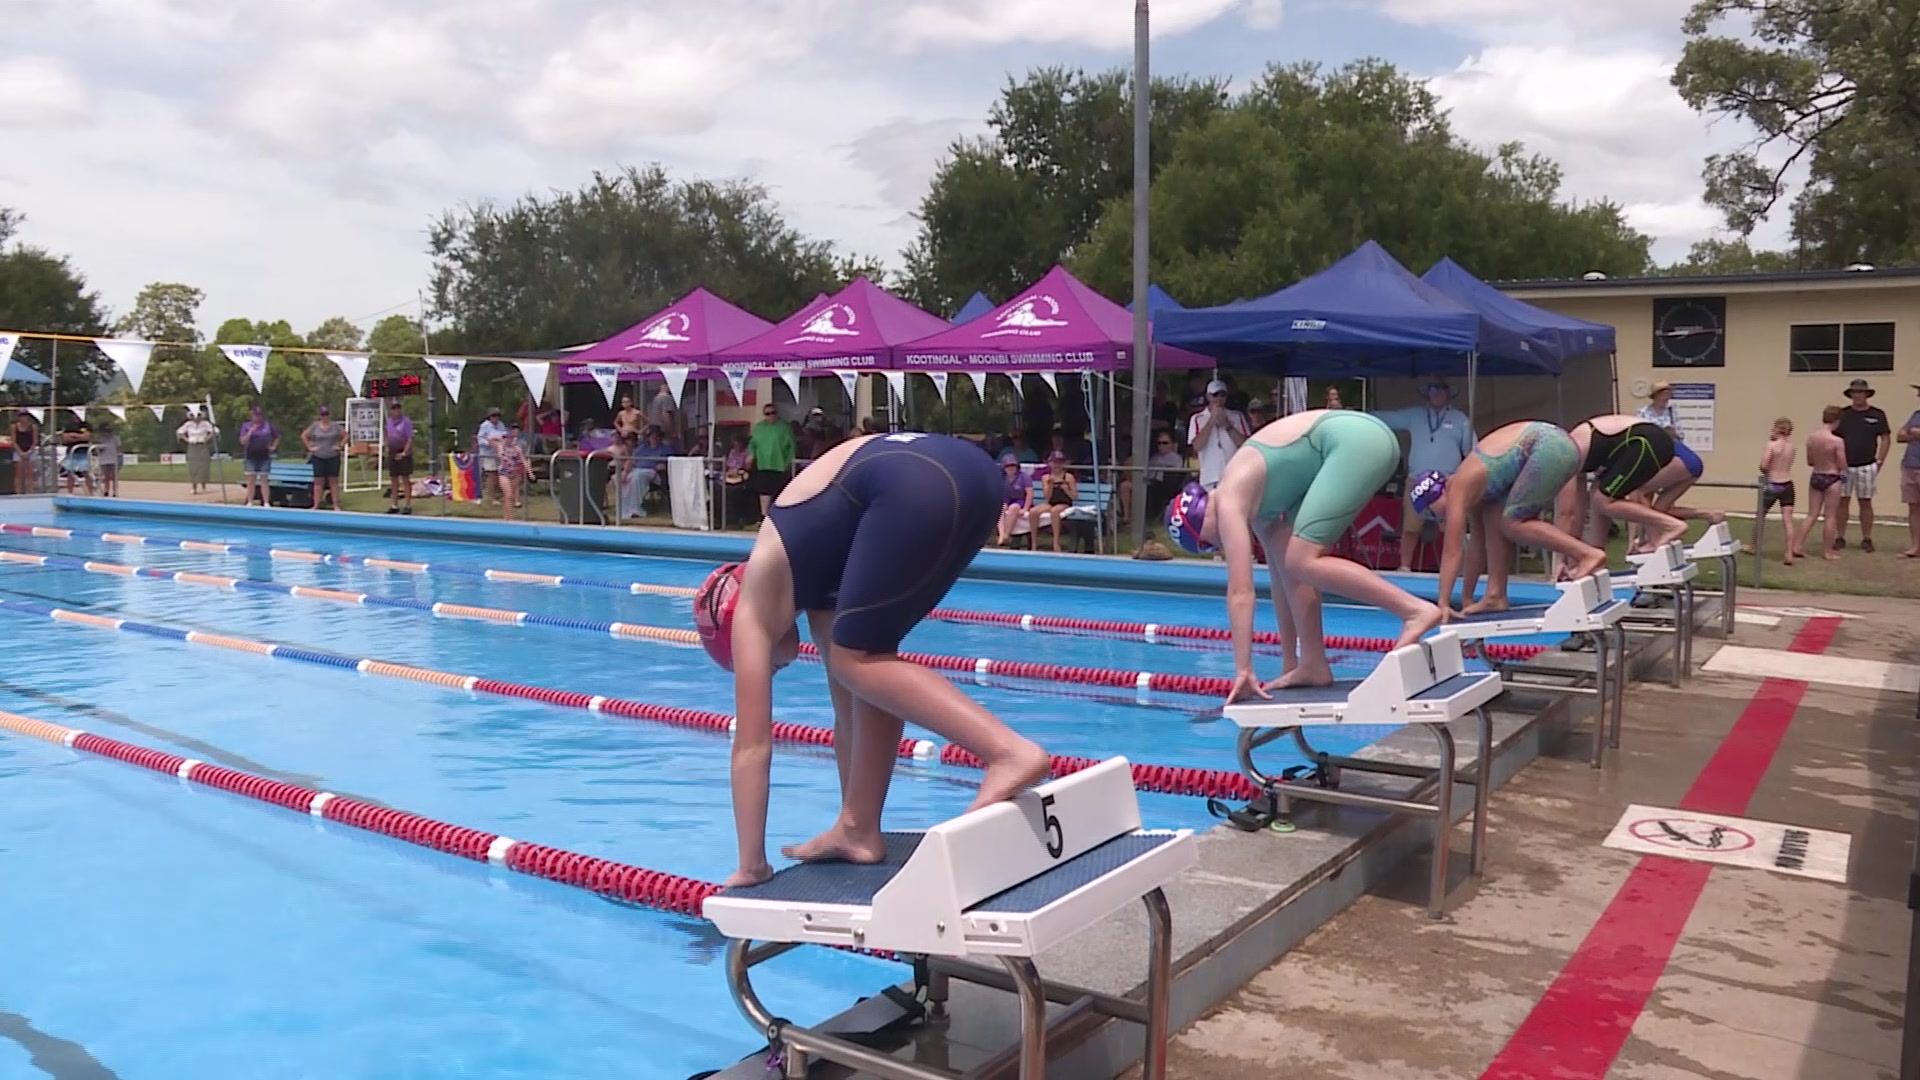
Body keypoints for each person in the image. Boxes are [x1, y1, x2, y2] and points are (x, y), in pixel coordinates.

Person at [697, 431, 1051, 888]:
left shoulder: (751, 609)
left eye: (762, 664)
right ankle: (858, 828)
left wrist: (751, 865)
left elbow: (751, 747)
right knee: (862, 664)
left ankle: (1008, 753)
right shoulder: (812, 573)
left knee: (853, 661)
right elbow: (852, 710)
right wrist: (853, 823)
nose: (769, 667)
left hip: (917, 484)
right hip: (973, 473)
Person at [1200, 409, 1442, 701]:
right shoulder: (1257, 507)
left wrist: (1243, 670)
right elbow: (1282, 580)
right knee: (1294, 564)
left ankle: (1414, 610)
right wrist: (1289, 662)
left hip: (1356, 442)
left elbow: (1240, 590)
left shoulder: (1228, 496)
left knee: (1302, 558)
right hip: (1360, 439)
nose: (1216, 547)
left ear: (1200, 519)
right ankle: (1312, 664)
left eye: (1205, 543)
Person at [1416, 421, 1606, 619]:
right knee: (1495, 526)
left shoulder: (1456, 489)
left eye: (1431, 511)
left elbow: (1452, 552)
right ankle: (1495, 595)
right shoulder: (1477, 491)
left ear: (1436, 495)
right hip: (1553, 442)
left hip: (1547, 446)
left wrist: (1443, 603)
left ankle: (1587, 554)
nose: (1436, 517)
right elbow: (1476, 546)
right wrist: (1466, 600)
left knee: (1513, 524)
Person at [1555, 414, 1687, 569]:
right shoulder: (1574, 452)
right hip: (1647, 441)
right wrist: (1573, 559)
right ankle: (1597, 558)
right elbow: (1577, 511)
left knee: (1603, 500)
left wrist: (1560, 562)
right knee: (1597, 492)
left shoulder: (1564, 457)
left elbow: (1566, 514)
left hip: (1645, 441)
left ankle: (1671, 524)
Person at [1371, 380, 1475, 570]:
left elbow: (1472, 452)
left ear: (1448, 393)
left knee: (1452, 528)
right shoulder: (1415, 415)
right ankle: (1404, 567)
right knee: (1410, 527)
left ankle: (1458, 569)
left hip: (1447, 481)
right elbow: (1388, 418)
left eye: (1442, 388)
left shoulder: (1461, 419)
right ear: (1427, 393)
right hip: (1417, 478)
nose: (1437, 393)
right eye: (1433, 389)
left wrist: (1463, 478)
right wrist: (1356, 413)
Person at [1831, 379, 1891, 552]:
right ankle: (1840, 537)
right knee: (1842, 500)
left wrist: (1880, 460)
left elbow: (1885, 438)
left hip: (1867, 466)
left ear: (1866, 394)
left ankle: (1867, 538)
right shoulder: (1843, 414)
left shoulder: (1878, 414)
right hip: (1844, 467)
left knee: (1865, 501)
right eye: (1854, 392)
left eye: (1860, 392)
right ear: (1850, 395)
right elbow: (1834, 438)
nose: (1857, 395)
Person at [1792, 405, 1847, 562]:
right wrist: (1844, 477)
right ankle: (1827, 551)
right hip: (1832, 477)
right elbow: (1842, 464)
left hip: (1816, 475)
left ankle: (1797, 545)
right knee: (1830, 516)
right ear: (1837, 421)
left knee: (1811, 514)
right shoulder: (1837, 441)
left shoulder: (1812, 438)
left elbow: (1810, 461)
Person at [1186, 379, 1249, 492]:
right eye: (1215, 395)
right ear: (1208, 396)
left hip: (1233, 476)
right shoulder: (1197, 418)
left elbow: (1245, 444)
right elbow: (1196, 446)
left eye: (1222, 394)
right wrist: (1211, 421)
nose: (1219, 399)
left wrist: (1227, 425)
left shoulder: (1237, 416)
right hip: (1209, 477)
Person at [1758, 417, 1797, 566]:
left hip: (1773, 483)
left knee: (1760, 515)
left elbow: (1764, 465)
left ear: (1777, 429)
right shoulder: (1791, 447)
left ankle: (1755, 545)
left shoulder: (1772, 445)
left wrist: (1765, 470)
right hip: (1787, 484)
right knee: (1788, 520)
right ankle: (1788, 552)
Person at [748, 402, 797, 517]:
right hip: (763, 464)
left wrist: (789, 462)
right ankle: (764, 516)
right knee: (764, 491)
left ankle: (778, 516)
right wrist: (751, 455)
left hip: (780, 465)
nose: (771, 416)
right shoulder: (759, 427)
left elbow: (792, 446)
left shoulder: (784, 427)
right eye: (767, 414)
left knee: (779, 492)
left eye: (773, 413)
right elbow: (752, 444)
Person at [1029, 449, 1077, 552]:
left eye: (1059, 463)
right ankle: (1034, 542)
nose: (1057, 465)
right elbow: (1047, 497)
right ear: (1050, 463)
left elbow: (1074, 497)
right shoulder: (1046, 478)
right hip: (1051, 502)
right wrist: (1050, 485)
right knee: (1033, 512)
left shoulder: (1068, 477)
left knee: (1055, 511)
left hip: (1065, 503)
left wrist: (1066, 489)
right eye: (1055, 462)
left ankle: (1056, 542)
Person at [301, 404, 344, 510]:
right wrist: (310, 447)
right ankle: (316, 505)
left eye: (326, 414)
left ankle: (335, 505)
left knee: (333, 481)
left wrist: (340, 445)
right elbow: (304, 436)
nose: (325, 417)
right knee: (318, 482)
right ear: (320, 415)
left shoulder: (335, 426)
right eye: (323, 415)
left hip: (332, 456)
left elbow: (345, 435)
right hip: (318, 456)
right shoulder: (315, 426)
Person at [1896, 384, 1920, 558]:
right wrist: (1914, 433)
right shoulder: (1916, 415)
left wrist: (1915, 433)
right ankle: (1916, 547)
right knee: (1914, 507)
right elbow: (1900, 435)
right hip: (1910, 466)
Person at [495, 419, 534, 522]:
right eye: (505, 438)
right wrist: (499, 439)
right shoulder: (501, 447)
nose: (507, 440)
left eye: (509, 438)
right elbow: (490, 441)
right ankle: (507, 518)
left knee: (510, 497)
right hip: (504, 473)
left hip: (514, 473)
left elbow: (524, 460)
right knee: (508, 494)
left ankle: (509, 517)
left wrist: (530, 472)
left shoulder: (517, 449)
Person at [239, 405, 277, 506]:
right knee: (251, 480)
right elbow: (242, 441)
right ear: (252, 415)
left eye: (259, 415)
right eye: (255, 415)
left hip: (264, 456)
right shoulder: (246, 426)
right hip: (251, 456)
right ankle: (250, 501)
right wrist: (250, 432)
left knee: (264, 480)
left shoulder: (267, 426)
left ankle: (266, 502)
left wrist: (273, 447)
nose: (257, 418)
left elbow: (277, 436)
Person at [993, 450, 1033, 546]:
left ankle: (1007, 534)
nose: (1011, 468)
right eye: (1008, 466)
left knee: (1014, 508)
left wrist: (1025, 508)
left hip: (1021, 501)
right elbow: (1001, 493)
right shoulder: (1001, 478)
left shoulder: (1024, 477)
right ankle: (1002, 534)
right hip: (1007, 500)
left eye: (1013, 465)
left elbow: (1029, 493)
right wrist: (1005, 503)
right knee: (1001, 508)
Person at [175, 409, 217, 494]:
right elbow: (179, 432)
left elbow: (214, 431)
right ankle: (194, 487)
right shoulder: (188, 424)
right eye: (194, 416)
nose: (196, 418)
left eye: (198, 415)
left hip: (202, 445)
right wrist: (187, 440)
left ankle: (203, 485)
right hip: (192, 445)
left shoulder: (205, 424)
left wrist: (207, 439)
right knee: (193, 466)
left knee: (204, 465)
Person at [385, 401, 415, 514]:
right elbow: (387, 434)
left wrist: (404, 452)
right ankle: (394, 505)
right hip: (392, 451)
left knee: (405, 479)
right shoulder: (389, 422)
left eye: (398, 408)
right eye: (394, 408)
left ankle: (408, 505)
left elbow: (410, 438)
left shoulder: (406, 422)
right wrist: (387, 445)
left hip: (404, 452)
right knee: (394, 479)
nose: (396, 411)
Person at [476, 407, 509, 507]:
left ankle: (500, 495)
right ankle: (492, 497)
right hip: (488, 454)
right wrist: (490, 443)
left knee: (501, 474)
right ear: (489, 417)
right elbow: (480, 439)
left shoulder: (501, 425)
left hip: (499, 453)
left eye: (497, 415)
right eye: (494, 416)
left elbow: (505, 435)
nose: (496, 418)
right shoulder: (485, 426)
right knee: (492, 474)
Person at [10, 412, 37, 495]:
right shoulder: (14, 427)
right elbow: (13, 441)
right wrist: (20, 452)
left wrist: (29, 452)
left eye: (25, 416)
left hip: (30, 450)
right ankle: (18, 493)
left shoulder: (33, 427)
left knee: (30, 474)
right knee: (18, 474)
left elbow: (35, 441)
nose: (23, 418)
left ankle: (31, 492)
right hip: (18, 450)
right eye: (21, 416)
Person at [93, 421, 121, 497]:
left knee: (114, 477)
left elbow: (118, 448)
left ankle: (115, 491)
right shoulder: (101, 439)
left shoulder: (115, 438)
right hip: (104, 459)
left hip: (113, 459)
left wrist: (118, 457)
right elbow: (97, 449)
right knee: (106, 477)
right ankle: (106, 490)